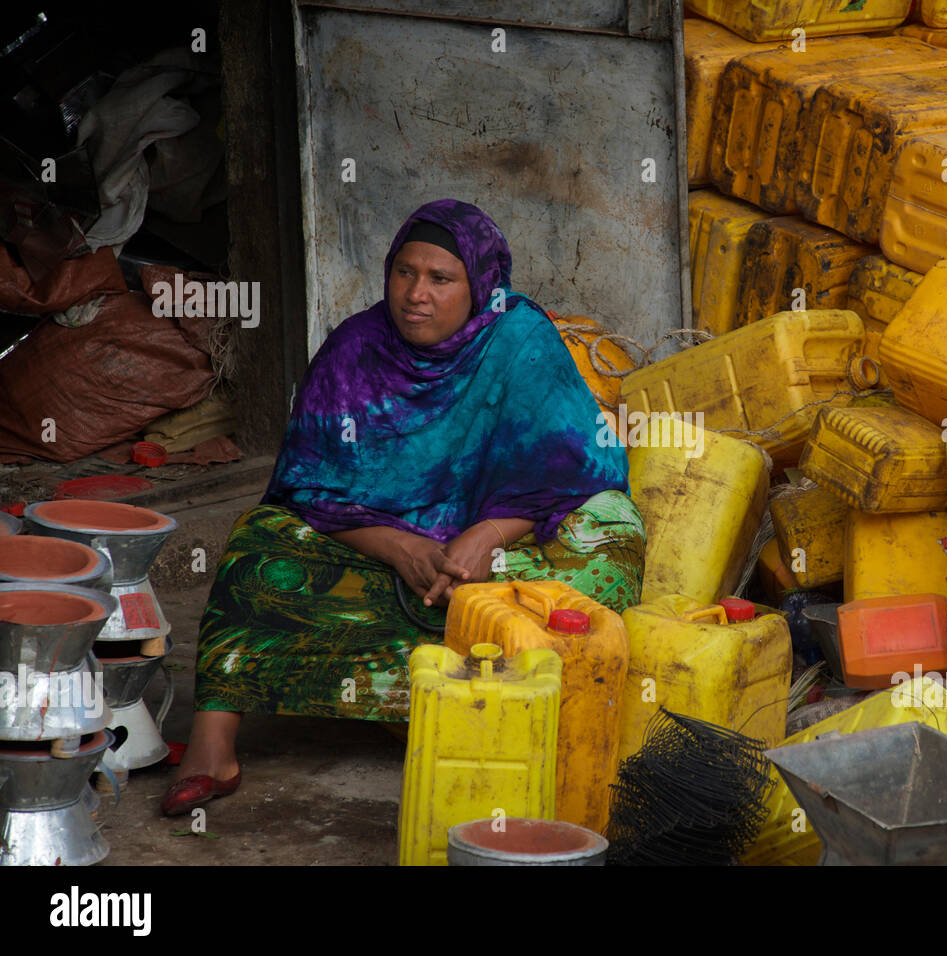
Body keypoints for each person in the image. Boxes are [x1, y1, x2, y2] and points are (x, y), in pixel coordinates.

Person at [160, 200, 644, 816]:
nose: (416, 294)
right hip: (386, 557)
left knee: (612, 536)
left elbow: (579, 468)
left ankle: (520, 692)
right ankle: (212, 748)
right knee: (259, 545)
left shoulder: (520, 339)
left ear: (480, 287)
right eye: (404, 273)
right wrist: (404, 549)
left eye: (441, 279)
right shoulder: (355, 351)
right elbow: (310, 488)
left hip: (498, 564)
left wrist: (487, 536)